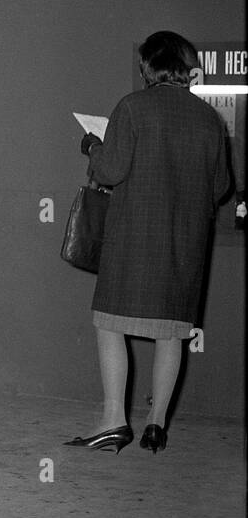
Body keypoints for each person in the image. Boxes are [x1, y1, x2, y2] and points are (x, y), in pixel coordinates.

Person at [68, 31, 233, 454]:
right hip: (185, 245)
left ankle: (113, 421)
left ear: (148, 66)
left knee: (108, 325)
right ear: (185, 66)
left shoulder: (133, 107)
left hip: (133, 241)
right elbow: (220, 188)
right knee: (171, 334)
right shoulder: (209, 119)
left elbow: (110, 171)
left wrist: (92, 145)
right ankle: (156, 424)